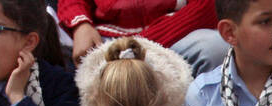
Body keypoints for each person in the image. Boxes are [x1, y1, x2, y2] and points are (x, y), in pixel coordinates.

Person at [58, 0, 227, 74]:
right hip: (106, 38)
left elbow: (206, 8)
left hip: (177, 37)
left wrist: (137, 45)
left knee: (216, 47)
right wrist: (81, 24)